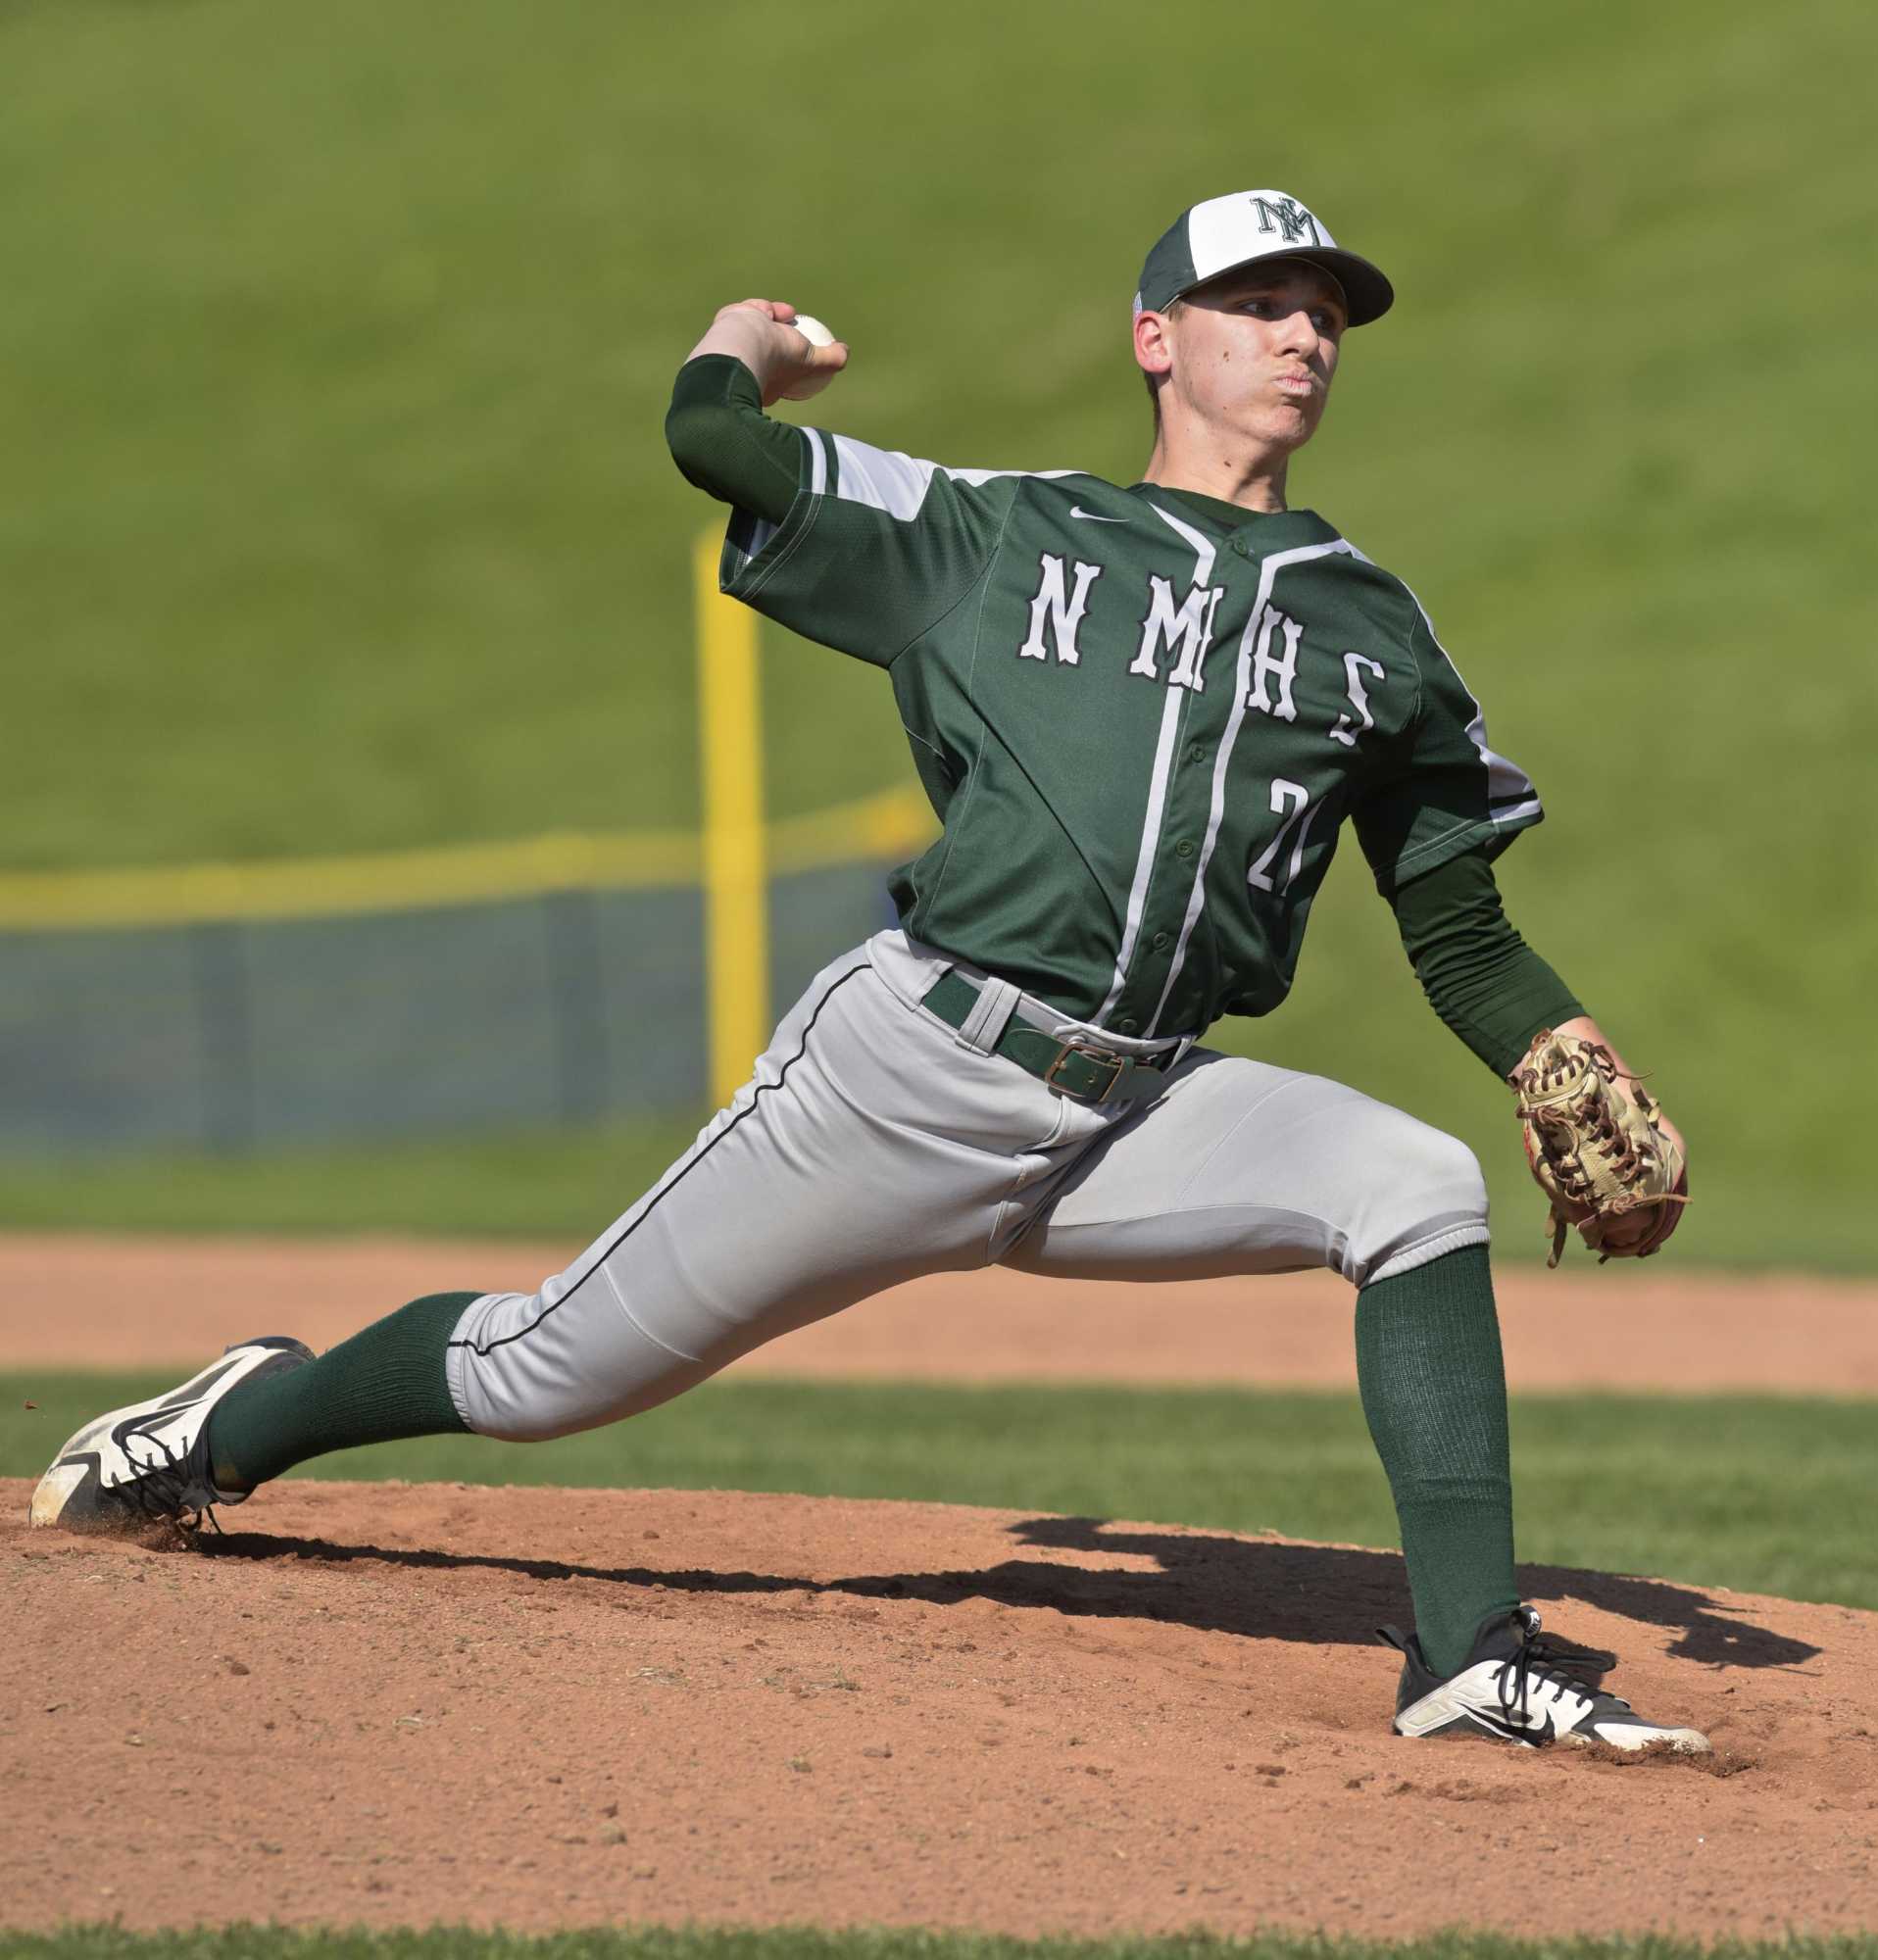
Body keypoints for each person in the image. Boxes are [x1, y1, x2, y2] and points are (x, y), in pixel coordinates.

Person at [32, 189, 1704, 1753]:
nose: (1300, 335)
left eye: (1323, 312)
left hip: (1134, 1114)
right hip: (908, 1075)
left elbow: (1456, 926)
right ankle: (233, 1425)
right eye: (1255, 302)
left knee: (1415, 1188)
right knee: (537, 1375)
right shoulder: (1000, 532)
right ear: (1155, 338)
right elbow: (715, 443)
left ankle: (1469, 1657)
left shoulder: (1372, 629)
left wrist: (1559, 1047)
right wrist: (739, 344)